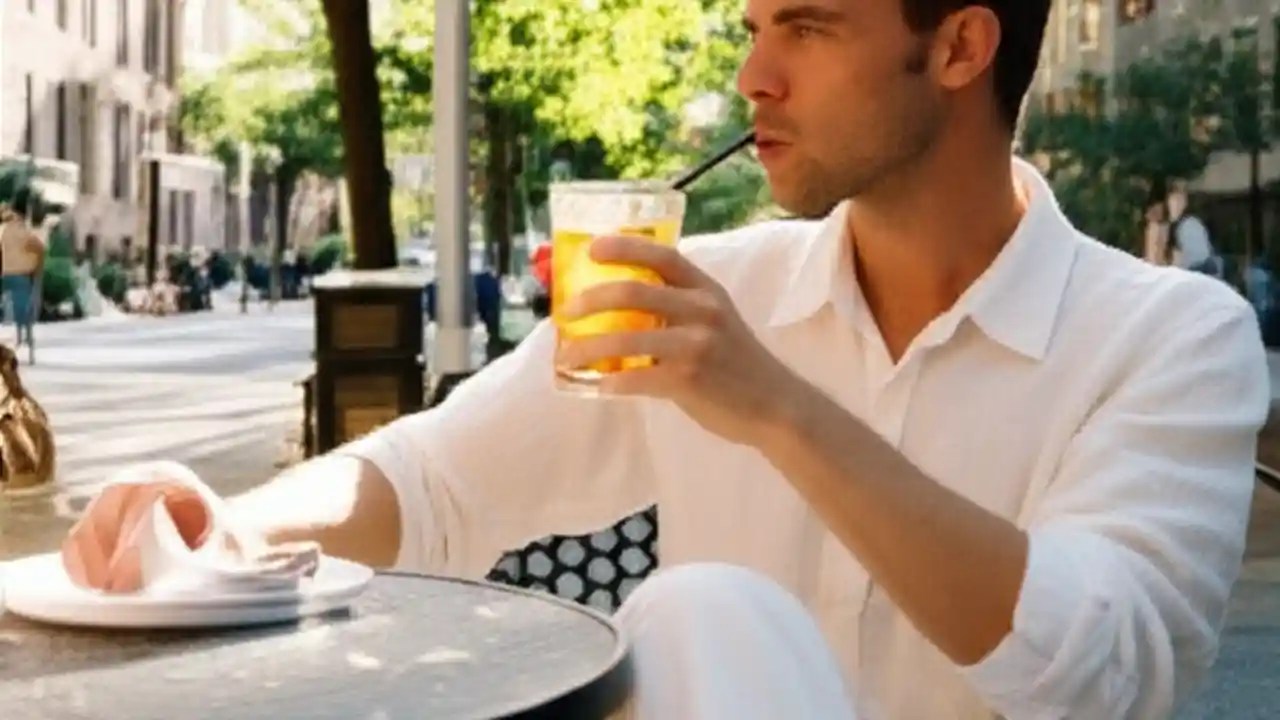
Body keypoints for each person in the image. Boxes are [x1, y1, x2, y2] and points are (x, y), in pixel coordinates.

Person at [55, 2, 1268, 718]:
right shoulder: (711, 294)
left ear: (956, 47)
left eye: (804, 24)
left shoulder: (1172, 338)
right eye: (751, 25)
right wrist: (225, 522)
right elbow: (434, 484)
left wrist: (777, 410)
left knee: (698, 606)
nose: (752, 75)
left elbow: (1103, 670)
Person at [0, 193, 46, 358]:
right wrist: (37, 268)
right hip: (22, 274)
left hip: (6, 273)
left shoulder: (4, 231)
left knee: (16, 305)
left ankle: (20, 337)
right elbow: (39, 248)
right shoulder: (23, 231)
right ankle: (26, 338)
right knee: (25, 308)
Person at [1164, 181, 1223, 278]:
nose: (1177, 204)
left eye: (1181, 199)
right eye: (1174, 199)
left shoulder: (1189, 225)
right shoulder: (1171, 225)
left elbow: (1199, 261)